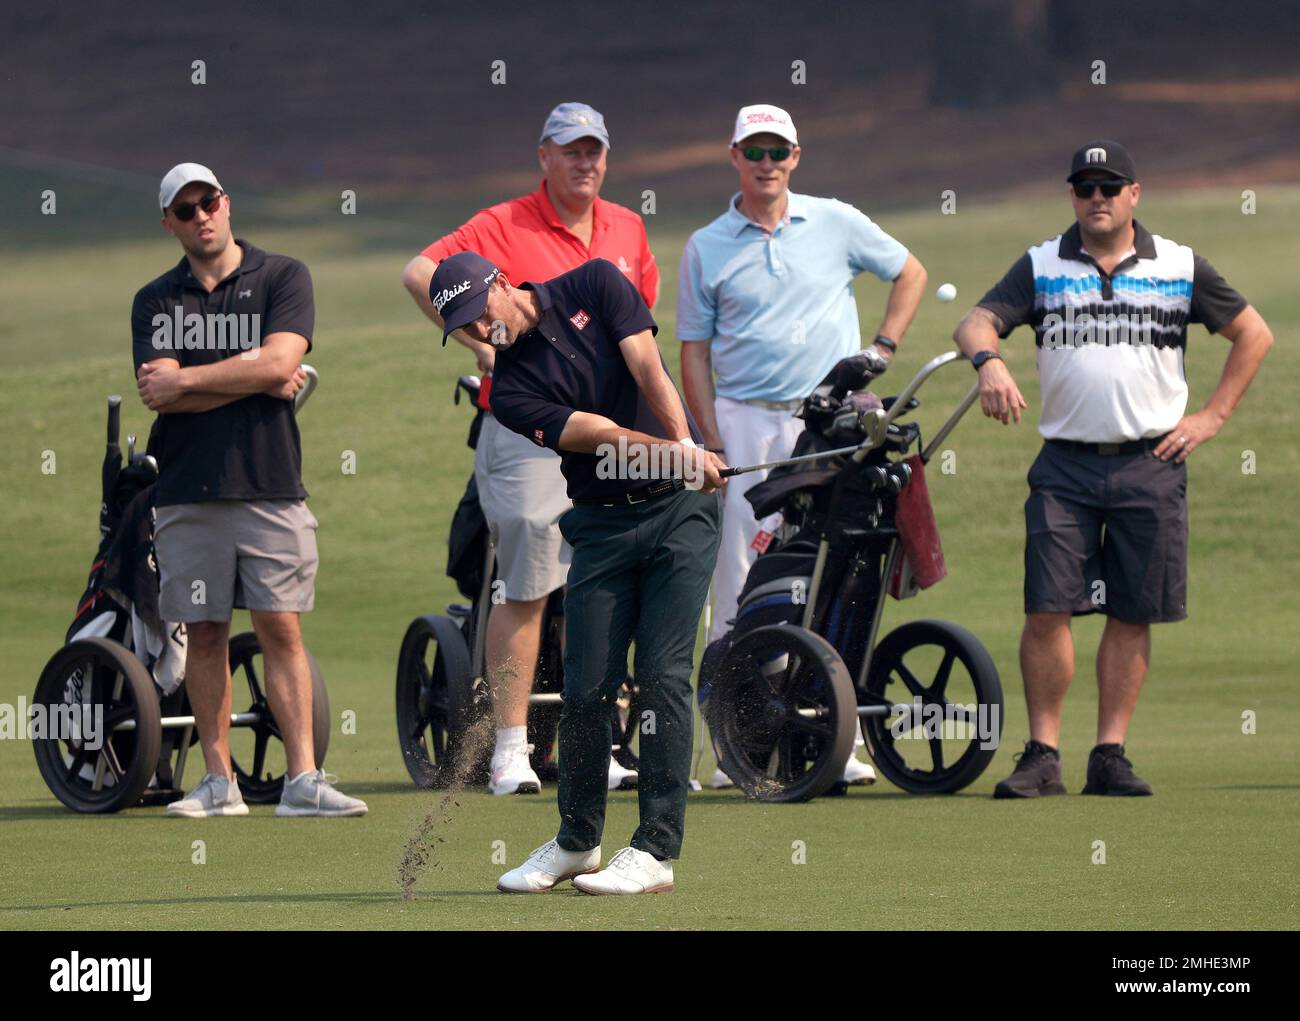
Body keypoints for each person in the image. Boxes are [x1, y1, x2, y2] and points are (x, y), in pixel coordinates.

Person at [953, 140, 1273, 798]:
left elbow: (1254, 334)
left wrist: (1210, 417)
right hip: (1065, 464)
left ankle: (1110, 754)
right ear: (1071, 195)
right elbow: (976, 321)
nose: (1097, 198)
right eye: (1084, 187)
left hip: (1151, 460)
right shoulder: (1043, 264)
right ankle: (1043, 753)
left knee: (1133, 610)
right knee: (1048, 608)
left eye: (1110, 187)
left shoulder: (1178, 265)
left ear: (1135, 194)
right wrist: (989, 360)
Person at [428, 251, 724, 894]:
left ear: (503, 285)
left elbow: (646, 363)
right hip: (600, 524)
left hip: (680, 514)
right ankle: (577, 841)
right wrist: (676, 454)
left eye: (480, 313)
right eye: (464, 328)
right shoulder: (508, 391)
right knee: (586, 683)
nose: (480, 332)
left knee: (662, 674)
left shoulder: (595, 281)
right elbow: (597, 434)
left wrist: (686, 450)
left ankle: (654, 851)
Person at [402, 102, 656, 795]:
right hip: (524, 431)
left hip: (603, 432)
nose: (586, 162)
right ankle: (511, 749)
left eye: (595, 150)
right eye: (571, 150)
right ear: (543, 155)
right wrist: (483, 347)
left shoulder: (628, 228)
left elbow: (642, 339)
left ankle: (588, 741)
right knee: (531, 575)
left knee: (595, 584)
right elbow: (420, 270)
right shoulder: (503, 222)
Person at [677, 103, 928, 788]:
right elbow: (693, 353)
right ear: (734, 155)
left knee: (836, 568)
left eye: (777, 151)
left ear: (796, 156)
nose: (766, 163)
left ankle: (832, 733)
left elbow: (910, 272)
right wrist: (713, 438)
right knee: (740, 579)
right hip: (747, 424)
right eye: (754, 150)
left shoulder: (836, 221)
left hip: (833, 424)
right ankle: (740, 738)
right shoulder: (707, 245)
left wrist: (882, 347)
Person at [132, 162, 366, 818]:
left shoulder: (283, 276)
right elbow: (161, 393)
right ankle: (218, 782)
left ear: (227, 204)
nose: (201, 215)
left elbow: (281, 360)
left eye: (209, 201)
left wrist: (197, 379)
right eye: (185, 210)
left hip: (270, 486)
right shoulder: (155, 300)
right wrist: (257, 374)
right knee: (204, 632)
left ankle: (302, 781)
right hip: (186, 492)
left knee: (281, 629)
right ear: (169, 224)